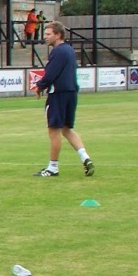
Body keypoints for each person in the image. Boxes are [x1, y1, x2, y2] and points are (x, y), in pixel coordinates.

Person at [32, 20, 93, 177]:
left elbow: (51, 73)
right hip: (71, 93)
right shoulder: (70, 50)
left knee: (54, 131)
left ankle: (53, 167)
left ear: (58, 35)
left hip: (58, 94)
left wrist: (40, 86)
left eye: (48, 34)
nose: (45, 37)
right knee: (67, 129)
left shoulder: (58, 51)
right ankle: (85, 157)